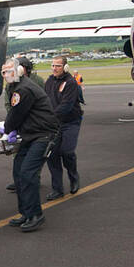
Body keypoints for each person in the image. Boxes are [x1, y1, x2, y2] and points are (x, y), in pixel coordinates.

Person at [2, 55, 58, 232]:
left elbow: (15, 115)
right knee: (18, 172)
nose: (6, 75)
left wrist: (6, 129)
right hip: (30, 135)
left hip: (43, 135)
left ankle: (35, 215)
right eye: (4, 72)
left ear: (18, 71)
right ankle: (26, 213)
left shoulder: (23, 89)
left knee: (27, 173)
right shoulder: (15, 87)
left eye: (9, 71)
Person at [44, 55, 84, 199]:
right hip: (54, 124)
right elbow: (44, 101)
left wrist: (49, 117)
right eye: (53, 65)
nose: (54, 68)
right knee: (52, 155)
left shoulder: (71, 83)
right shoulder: (48, 82)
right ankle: (57, 189)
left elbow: (66, 106)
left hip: (70, 122)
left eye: (58, 66)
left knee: (67, 151)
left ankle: (74, 177)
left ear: (65, 67)